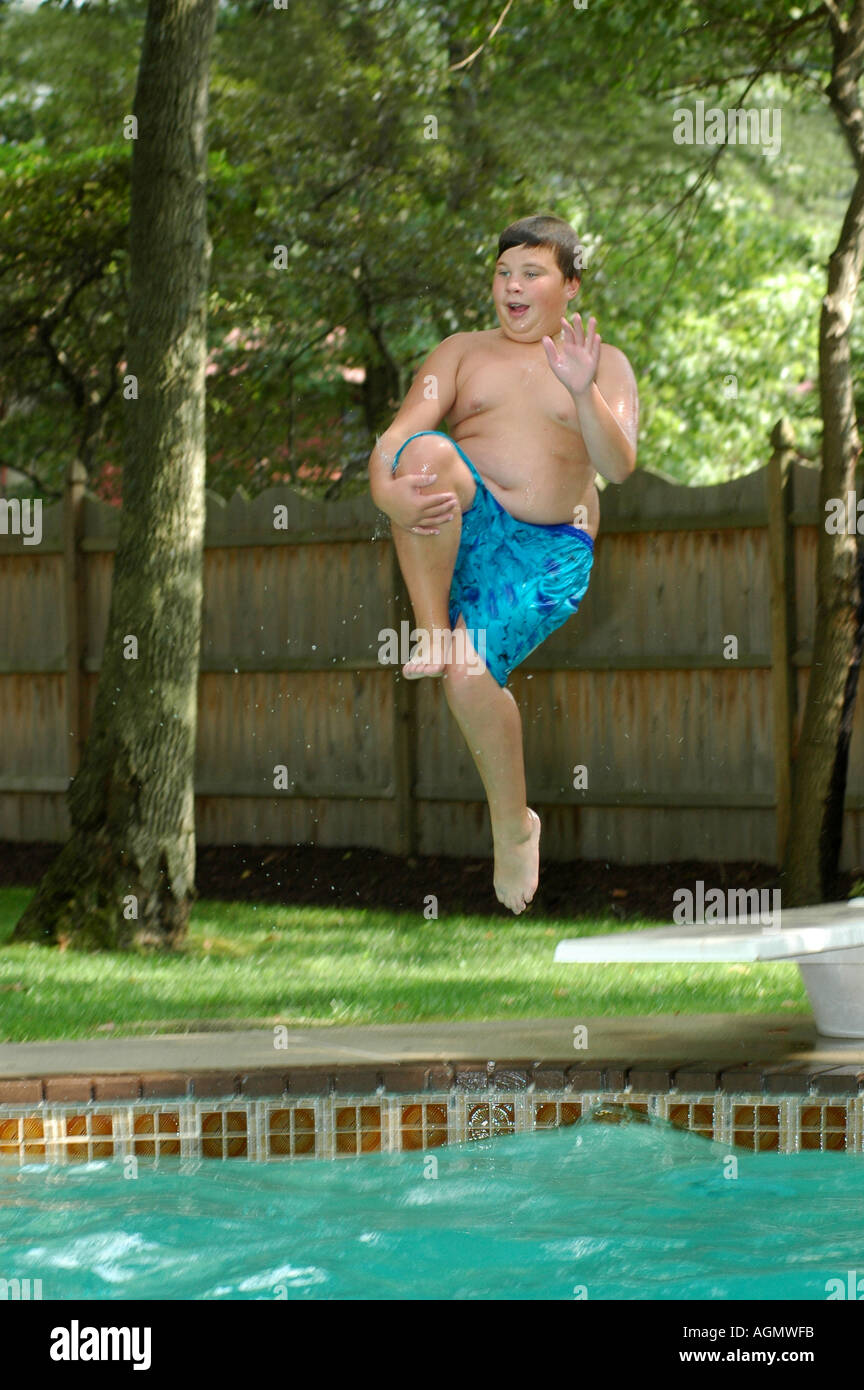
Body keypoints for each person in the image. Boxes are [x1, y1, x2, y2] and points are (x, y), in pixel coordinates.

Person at [368, 215, 638, 914]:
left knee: (467, 677)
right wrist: (386, 490)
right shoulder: (461, 353)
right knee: (423, 456)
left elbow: (619, 466)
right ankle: (430, 628)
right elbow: (396, 436)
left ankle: (514, 826)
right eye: (503, 273)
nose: (512, 287)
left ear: (570, 286)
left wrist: (583, 393)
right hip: (471, 531)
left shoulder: (603, 364)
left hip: (549, 552)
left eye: (532, 273)